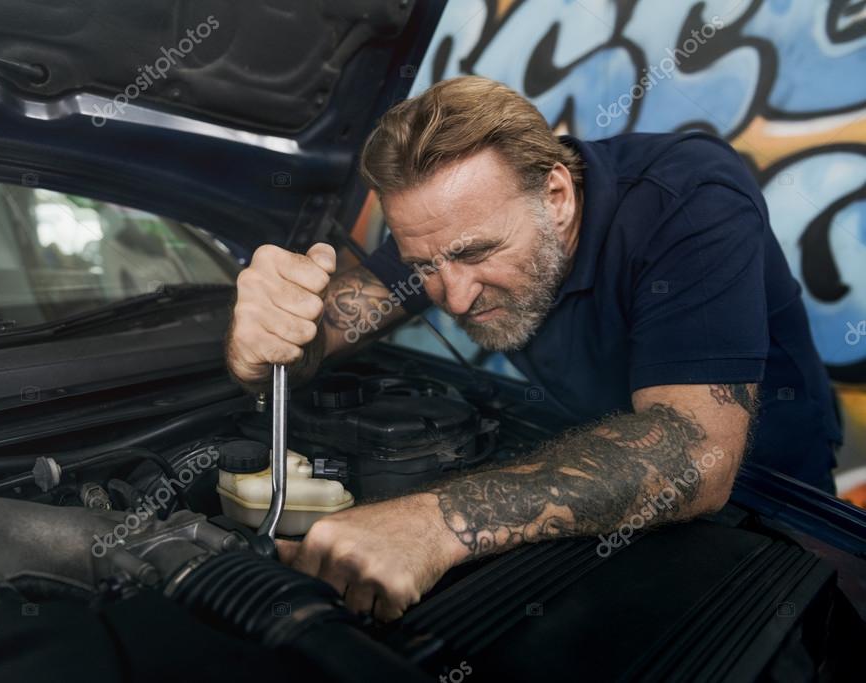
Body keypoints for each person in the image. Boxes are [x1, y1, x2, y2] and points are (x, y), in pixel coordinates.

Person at [224, 76, 842, 622]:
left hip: (779, 504)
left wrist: (431, 523)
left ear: (556, 197)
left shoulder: (688, 198)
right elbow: (329, 321)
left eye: (476, 254)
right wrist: (270, 335)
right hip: (600, 480)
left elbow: (698, 452)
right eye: (424, 265)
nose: (455, 297)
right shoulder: (447, 224)